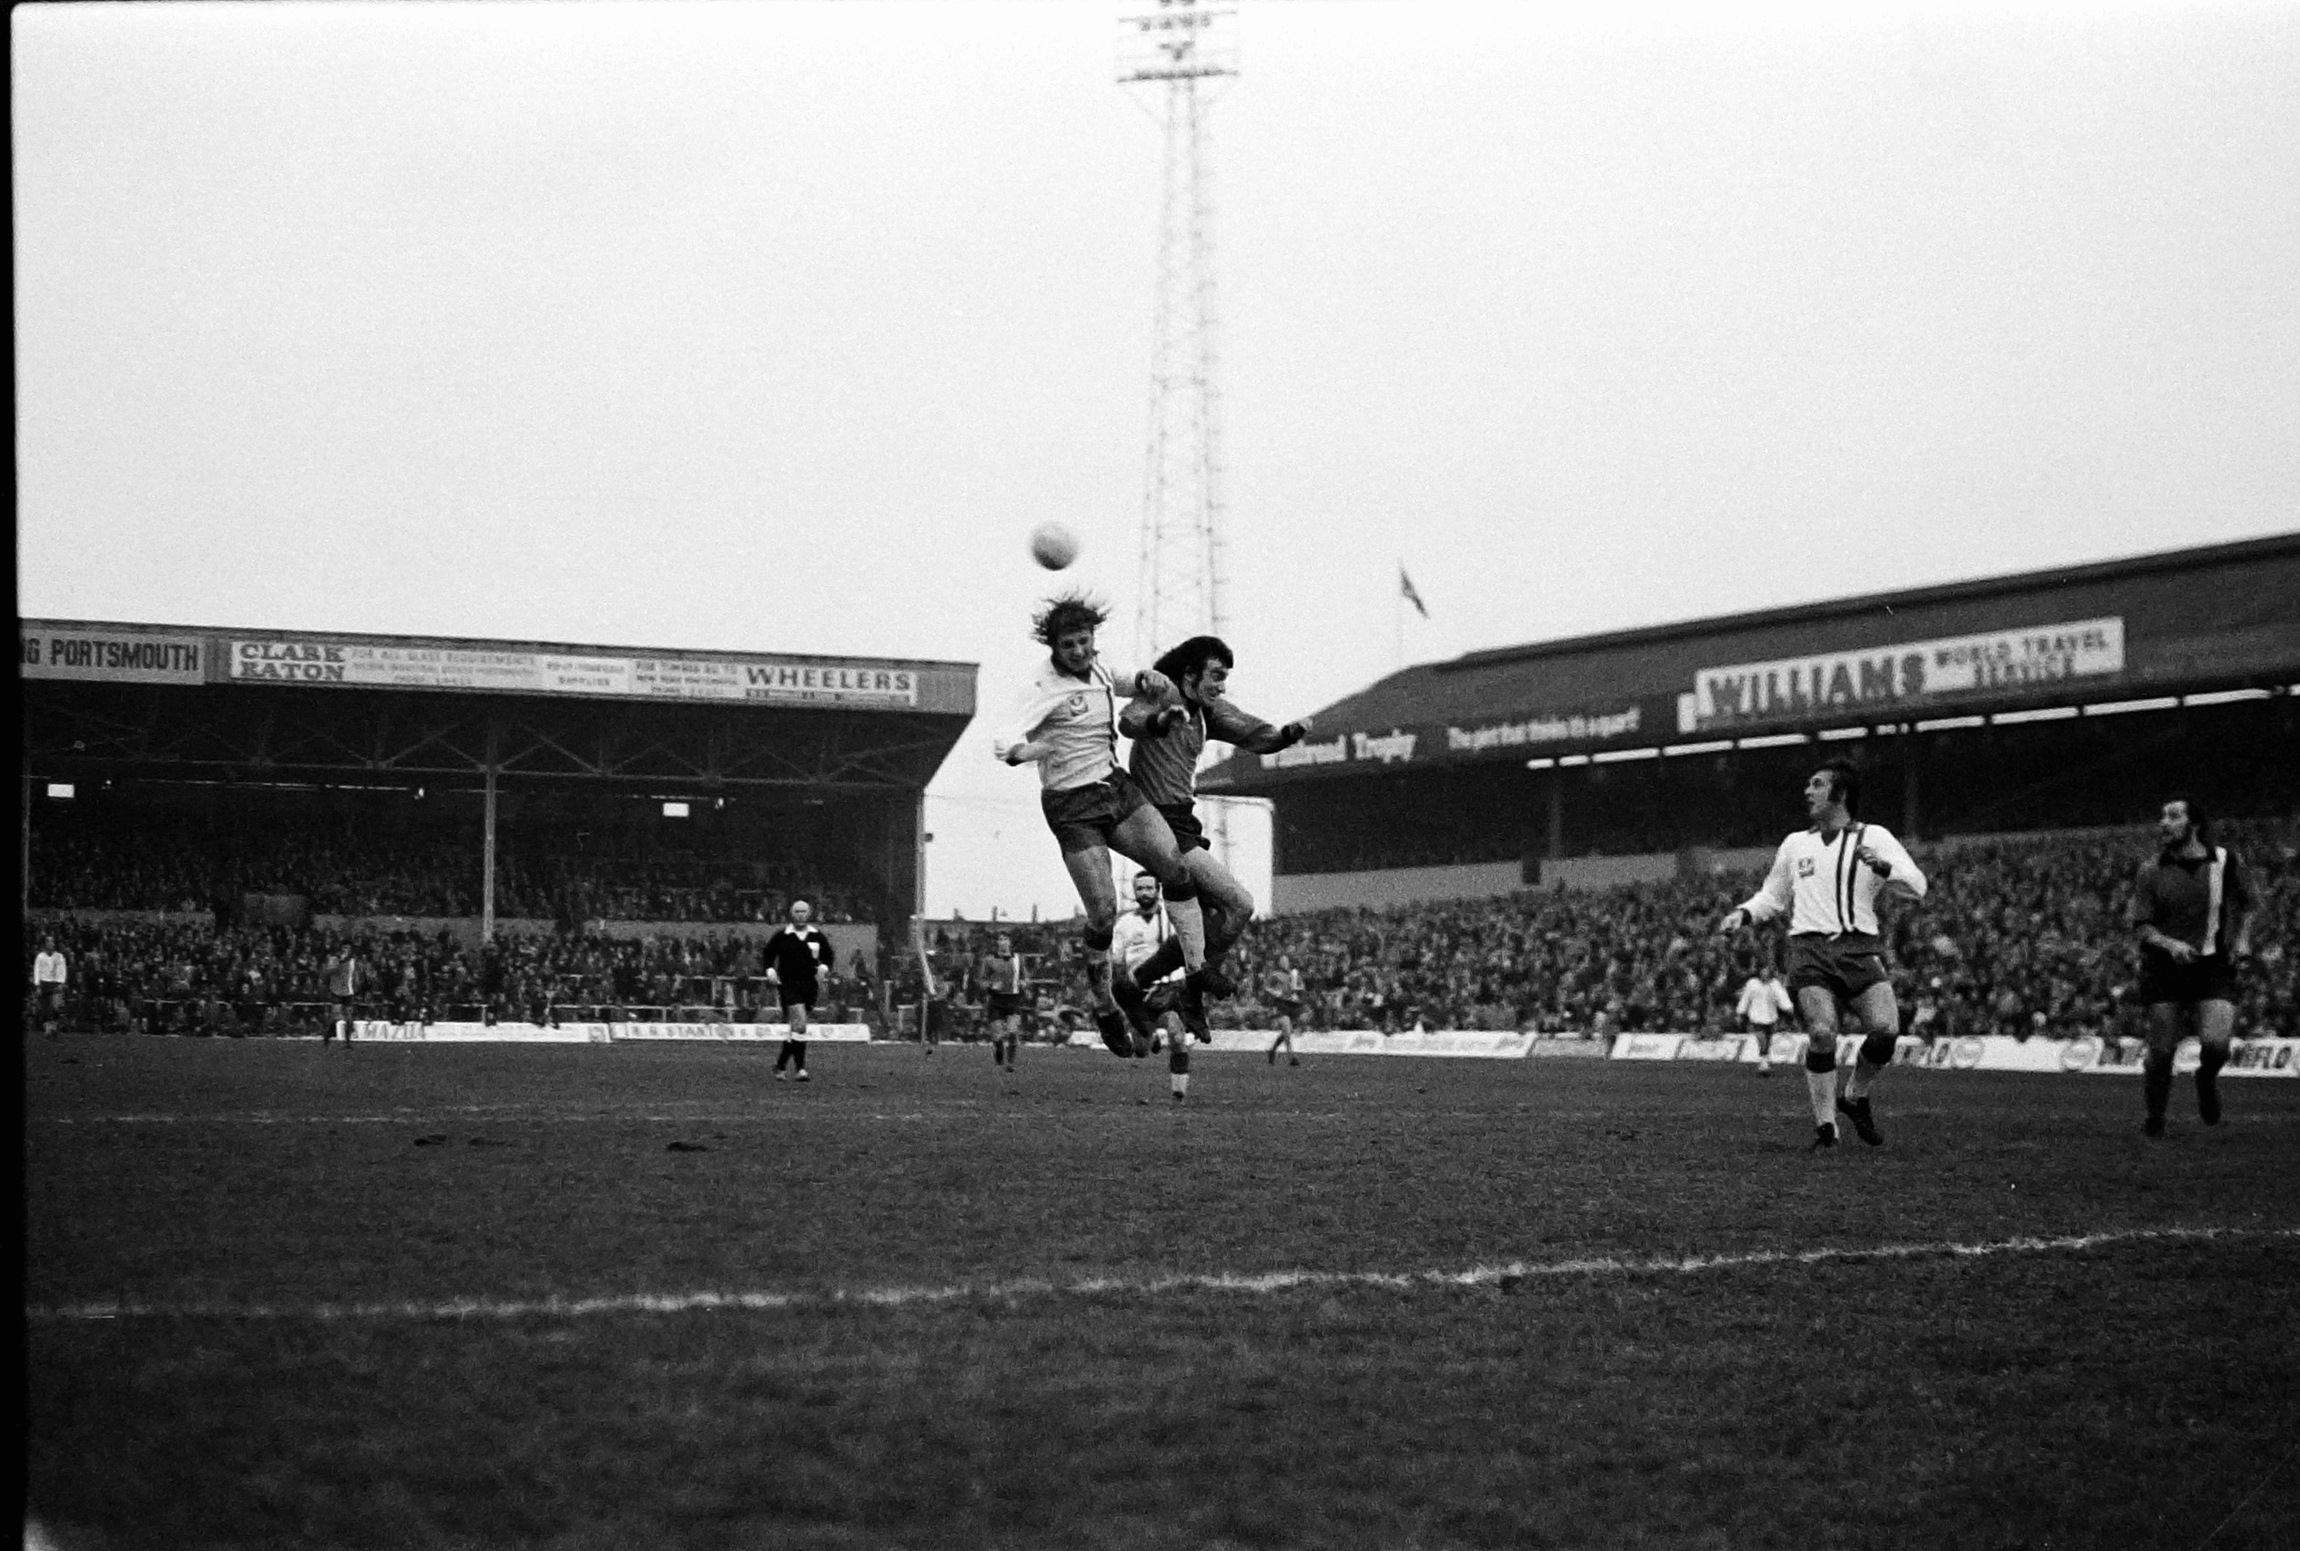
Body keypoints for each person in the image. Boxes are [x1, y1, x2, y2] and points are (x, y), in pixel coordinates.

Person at [990, 592, 1202, 1059]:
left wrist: (1144, 678)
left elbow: (1119, 681)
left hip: (1115, 787)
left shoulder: (1100, 669)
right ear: (1053, 647)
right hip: (1071, 805)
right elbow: (1004, 737)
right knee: (1104, 912)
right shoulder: (1043, 688)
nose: (1080, 652)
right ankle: (1104, 1004)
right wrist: (1022, 752)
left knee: (1173, 863)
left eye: (1085, 642)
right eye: (1069, 646)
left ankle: (1197, 971)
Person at [1110, 634, 1312, 1067]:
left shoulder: (1210, 712)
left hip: (1183, 819)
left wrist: (1286, 736)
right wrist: (1160, 722)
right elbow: (1129, 721)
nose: (1221, 686)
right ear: (1189, 675)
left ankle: (1140, 984)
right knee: (1238, 904)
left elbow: (1256, 734)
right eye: (1216, 676)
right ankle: (1189, 994)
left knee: (1207, 920)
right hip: (1154, 820)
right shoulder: (1162, 689)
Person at [1717, 760, 1927, 1150]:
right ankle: (1826, 1127)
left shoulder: (1874, 836)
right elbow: (1773, 897)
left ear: (1840, 794)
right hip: (1809, 949)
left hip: (1859, 947)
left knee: (1886, 1031)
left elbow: (1917, 885)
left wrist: (1886, 868)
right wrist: (1744, 913)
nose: (1807, 792)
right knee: (1822, 1031)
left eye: (1816, 785)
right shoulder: (1795, 844)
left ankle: (1855, 1095)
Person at [2129, 795, 2255, 1137]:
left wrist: (2242, 939)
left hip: (2211, 965)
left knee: (2216, 1045)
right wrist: (2170, 944)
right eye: (2162, 817)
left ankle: (2206, 1077)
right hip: (2164, 968)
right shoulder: (2150, 870)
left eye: (2172, 816)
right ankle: (2155, 1118)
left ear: (2193, 825)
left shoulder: (2226, 862)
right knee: (2161, 1052)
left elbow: (2248, 905)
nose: (2163, 823)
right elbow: (2142, 926)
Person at [765, 900, 835, 1083]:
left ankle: (780, 1065)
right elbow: (768, 954)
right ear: (791, 913)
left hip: (810, 986)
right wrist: (770, 970)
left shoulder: (816, 935)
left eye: (803, 911)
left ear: (809, 913)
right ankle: (801, 1068)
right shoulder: (782, 936)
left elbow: (828, 955)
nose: (800, 915)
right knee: (801, 1023)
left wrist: (825, 967)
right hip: (788, 984)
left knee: (797, 1028)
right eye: (797, 911)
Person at [975, 931, 1032, 1071]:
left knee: (1013, 1032)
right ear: (997, 943)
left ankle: (1010, 1064)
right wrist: (991, 985)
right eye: (1000, 939)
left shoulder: (1018, 959)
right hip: (996, 1001)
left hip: (1013, 1000)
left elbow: (1026, 977)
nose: (1003, 942)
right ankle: (999, 1061)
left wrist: (1025, 982)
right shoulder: (989, 960)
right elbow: (980, 981)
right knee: (997, 1036)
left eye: (1006, 939)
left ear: (1010, 942)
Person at [1733, 959, 1794, 1075]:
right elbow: (1745, 999)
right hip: (1755, 1016)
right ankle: (1764, 1061)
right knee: (1761, 1038)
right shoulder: (1752, 983)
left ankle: (1764, 1060)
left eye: (1767, 971)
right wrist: (1740, 1013)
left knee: (1768, 1039)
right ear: (1760, 971)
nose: (1765, 973)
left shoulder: (1775, 984)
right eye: (1763, 971)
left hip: (1771, 1017)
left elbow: (1782, 997)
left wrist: (1789, 1008)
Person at [1264, 954, 1306, 1066]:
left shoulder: (1294, 973)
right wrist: (1275, 993)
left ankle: (1272, 1050)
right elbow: (1267, 987)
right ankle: (1292, 1057)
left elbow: (1301, 987)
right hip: (1281, 1004)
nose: (1284, 963)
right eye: (1282, 961)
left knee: (1286, 1032)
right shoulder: (1275, 975)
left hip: (1293, 1005)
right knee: (1287, 1031)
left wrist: (1297, 993)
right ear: (1279, 963)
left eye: (1286, 961)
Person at [326, 944, 363, 1045]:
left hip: (348, 992)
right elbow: (329, 972)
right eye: (343, 948)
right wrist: (340, 961)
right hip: (336, 991)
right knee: (336, 1016)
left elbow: (356, 975)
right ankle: (327, 1035)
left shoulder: (353, 961)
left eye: (347, 948)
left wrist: (357, 986)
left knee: (349, 1018)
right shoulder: (334, 959)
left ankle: (348, 1042)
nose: (345, 950)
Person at [33, 936, 69, 1039]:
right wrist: (37, 985)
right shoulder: (40, 957)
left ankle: (53, 1027)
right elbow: (37, 971)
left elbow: (63, 970)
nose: (50, 944)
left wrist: (61, 983)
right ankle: (49, 1029)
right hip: (44, 983)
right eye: (48, 942)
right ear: (45, 944)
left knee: (56, 1007)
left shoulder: (59, 956)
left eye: (52, 942)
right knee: (45, 1008)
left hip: (55, 983)